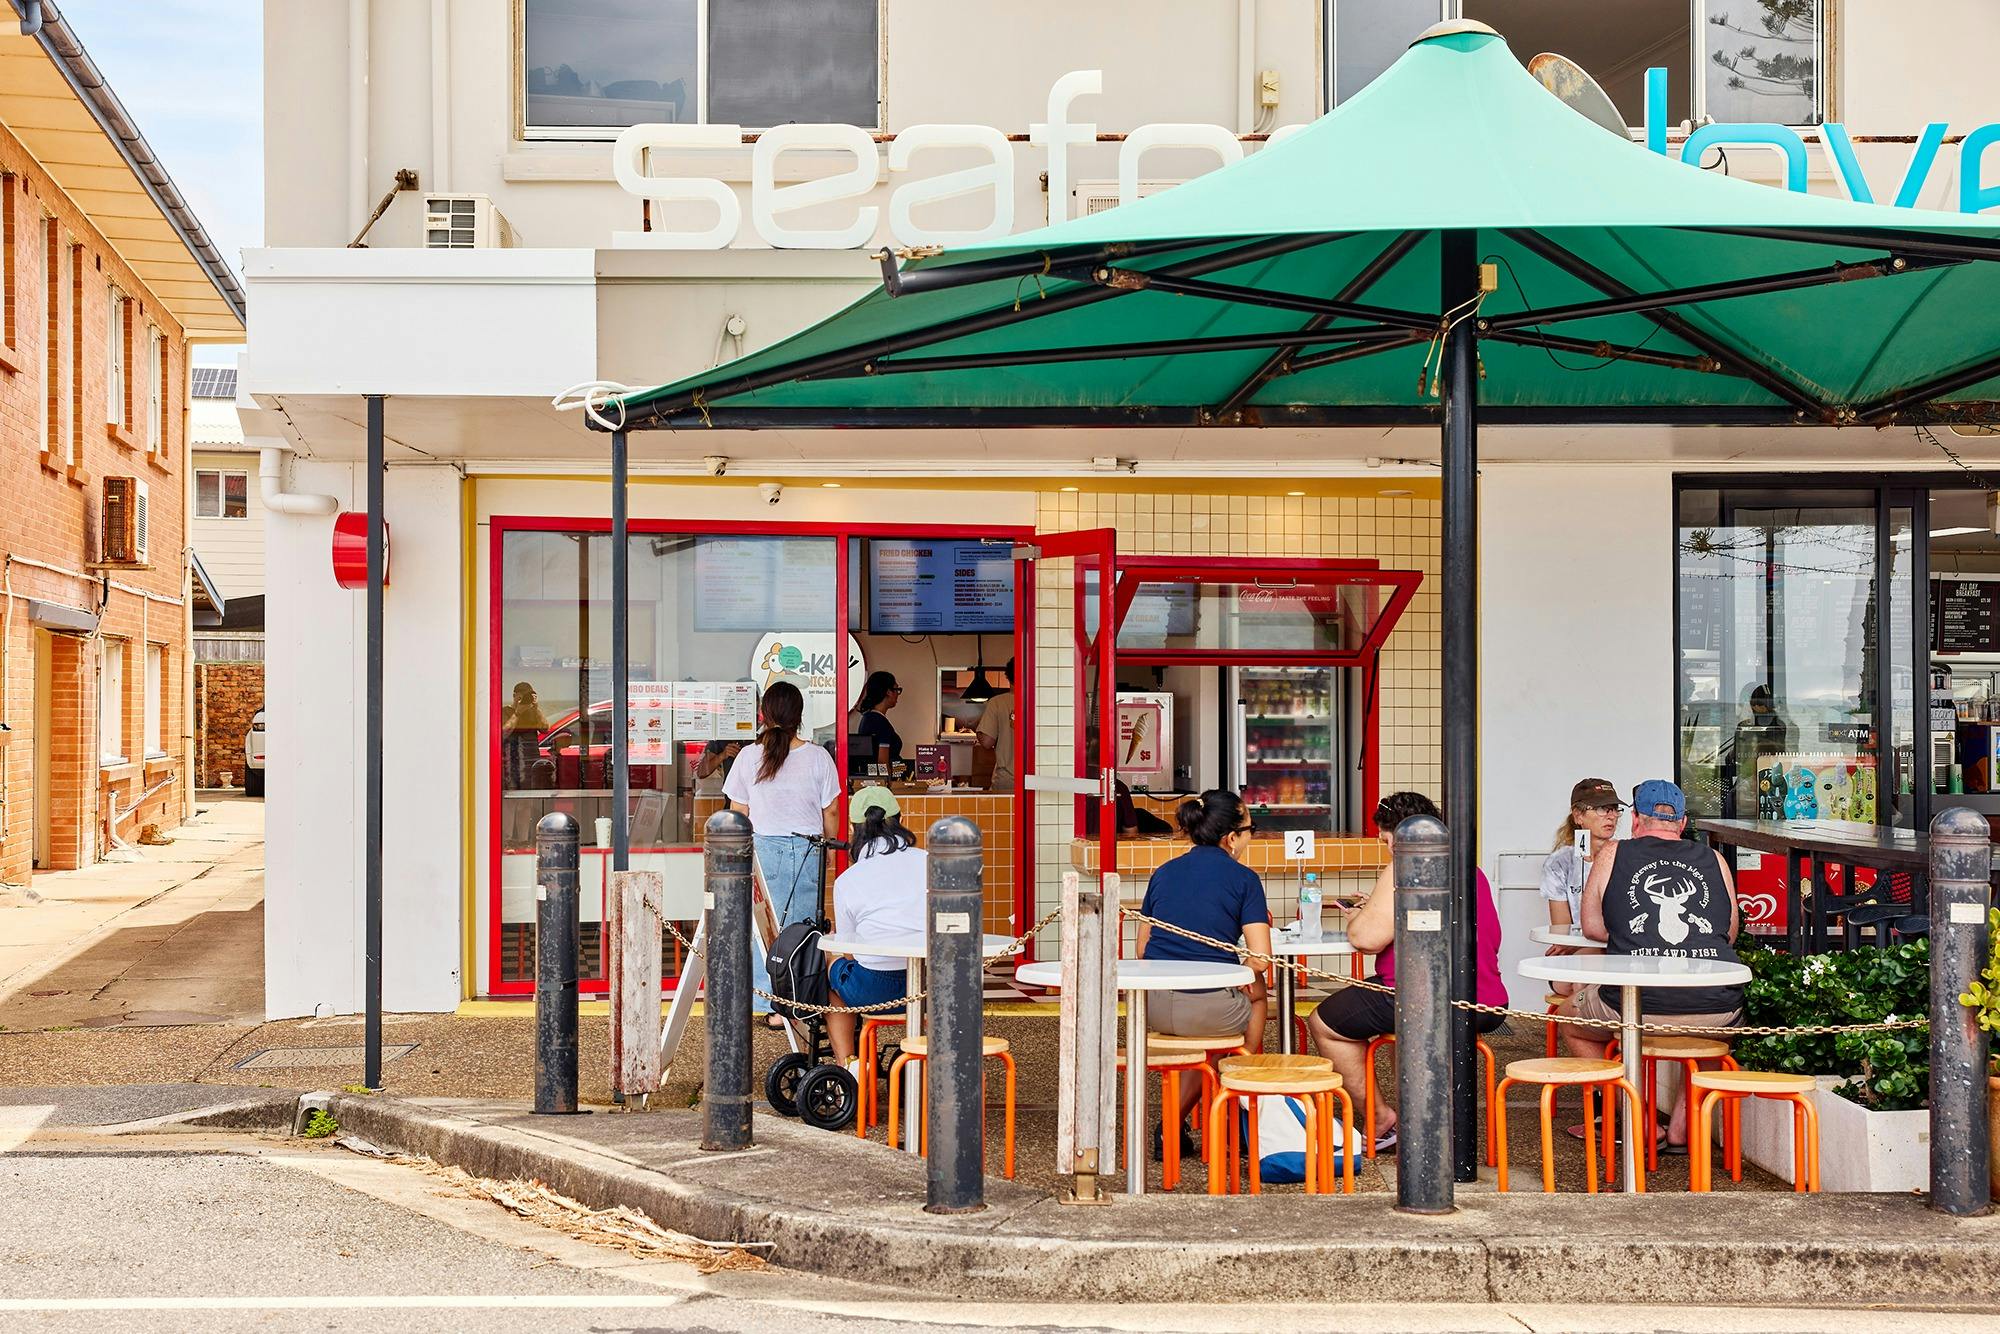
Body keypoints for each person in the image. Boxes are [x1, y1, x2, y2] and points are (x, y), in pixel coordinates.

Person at [1304, 791, 1507, 1154]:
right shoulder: (1469, 868)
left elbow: (1367, 938)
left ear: (1399, 835)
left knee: (1324, 1022)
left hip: (1422, 994)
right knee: (1400, 1026)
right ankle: (1427, 1120)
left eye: (1385, 839)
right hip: (1487, 999)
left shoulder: (1404, 864)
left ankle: (1382, 1118)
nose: (1387, 848)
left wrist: (1358, 918)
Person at [1564, 778, 1743, 1155]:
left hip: (1634, 1006)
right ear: (1681, 822)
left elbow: (1594, 926)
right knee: (1713, 1033)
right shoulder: (1716, 860)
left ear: (1637, 821)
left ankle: (1642, 1120)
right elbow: (1728, 934)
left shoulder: (1613, 853)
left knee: (1570, 1023)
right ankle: (1682, 1127)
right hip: (1717, 1009)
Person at [1134, 789, 1271, 1157]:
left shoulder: (1163, 873)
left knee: (1205, 1043)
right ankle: (1240, 1076)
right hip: (1210, 1011)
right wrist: (1233, 975)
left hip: (1155, 1006)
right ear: (1231, 837)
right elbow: (1261, 958)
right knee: (1257, 991)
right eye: (1250, 829)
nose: (1250, 836)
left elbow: (1142, 948)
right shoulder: (1244, 879)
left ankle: (1175, 1124)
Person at [722, 681, 843, 1022]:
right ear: (800, 716)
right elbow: (830, 811)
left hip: (762, 850)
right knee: (804, 928)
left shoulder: (747, 756)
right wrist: (830, 848)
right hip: (808, 848)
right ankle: (798, 1002)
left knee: (763, 928)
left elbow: (738, 811)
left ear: (765, 714)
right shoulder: (819, 756)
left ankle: (768, 1004)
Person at [824, 786, 927, 1065]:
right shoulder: (929, 862)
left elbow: (848, 950)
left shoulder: (848, 879)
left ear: (855, 828)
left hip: (872, 989)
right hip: (927, 986)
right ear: (898, 818)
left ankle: (850, 1065)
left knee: (831, 971)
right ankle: (919, 1053)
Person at [1540, 778, 1624, 933]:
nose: (1611, 816)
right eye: (1602, 808)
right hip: (1578, 952)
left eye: (1614, 808)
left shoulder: (1627, 856)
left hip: (1618, 951)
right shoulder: (1559, 863)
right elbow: (1562, 932)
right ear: (1578, 816)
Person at [973, 659, 1016, 791]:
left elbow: (986, 742)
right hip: (1039, 781)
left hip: (1007, 780)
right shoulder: (1043, 702)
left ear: (1008, 677)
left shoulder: (998, 703)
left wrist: (979, 731)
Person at [854, 671, 905, 772]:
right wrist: (889, 784)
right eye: (896, 689)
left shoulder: (867, 718)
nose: (897, 694)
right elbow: (882, 763)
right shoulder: (880, 723)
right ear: (888, 692)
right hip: (883, 783)